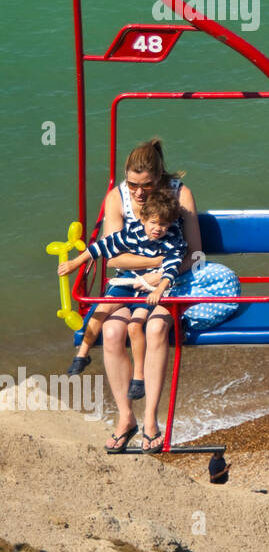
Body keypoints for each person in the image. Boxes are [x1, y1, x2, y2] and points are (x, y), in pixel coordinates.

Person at [84, 139, 202, 453]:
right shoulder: (117, 198)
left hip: (170, 283)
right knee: (111, 331)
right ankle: (126, 417)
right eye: (133, 184)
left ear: (160, 177)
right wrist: (157, 263)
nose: (138, 193)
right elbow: (114, 258)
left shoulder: (180, 194)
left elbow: (195, 253)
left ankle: (150, 419)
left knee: (156, 328)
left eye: (146, 185)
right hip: (129, 282)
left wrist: (166, 273)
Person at [58, 188, 186, 430]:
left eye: (164, 225)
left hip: (152, 286)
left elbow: (171, 267)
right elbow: (103, 246)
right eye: (154, 223)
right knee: (100, 311)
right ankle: (82, 353)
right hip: (130, 281)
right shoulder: (134, 232)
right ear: (143, 219)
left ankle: (138, 377)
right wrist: (75, 263)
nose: (158, 229)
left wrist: (158, 289)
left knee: (136, 324)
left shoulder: (172, 239)